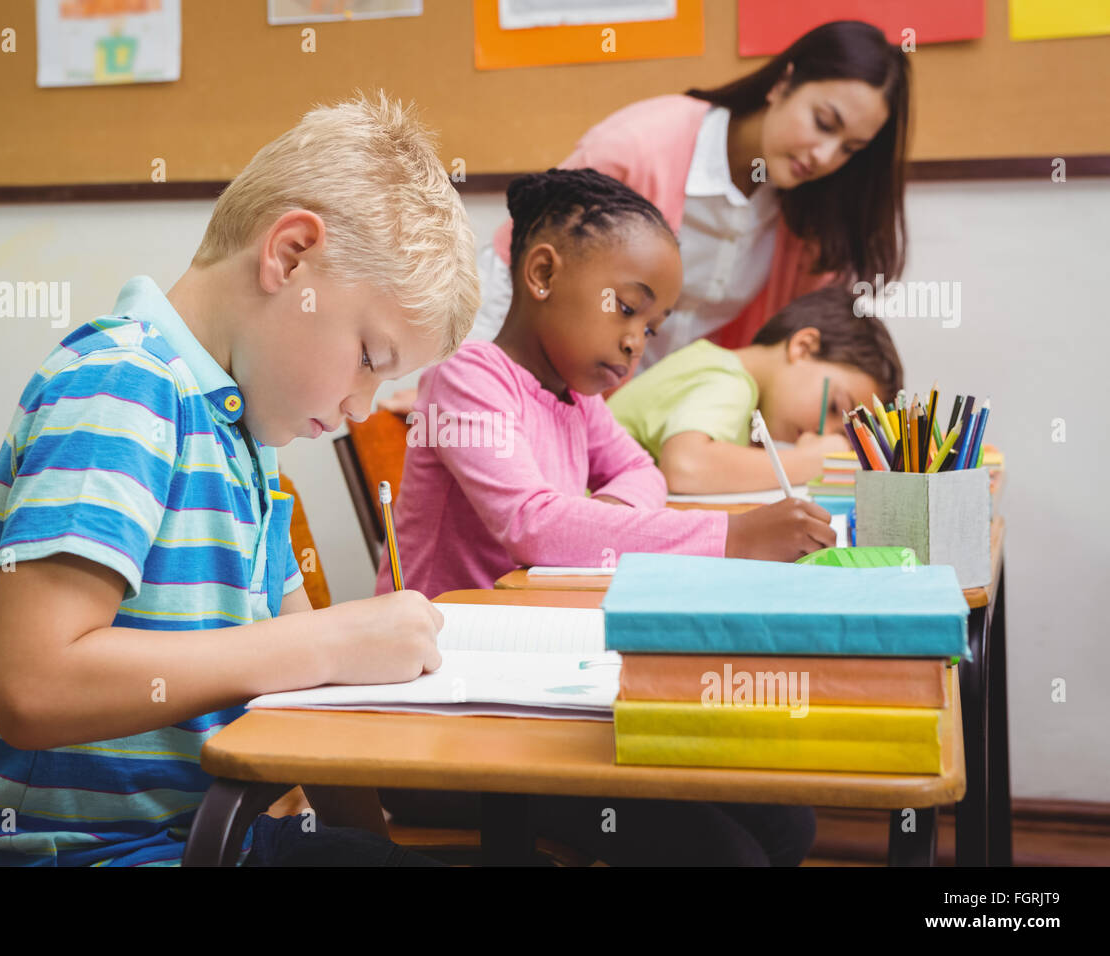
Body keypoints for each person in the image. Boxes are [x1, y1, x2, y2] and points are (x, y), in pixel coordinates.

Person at [0, 90, 478, 867]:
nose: (360, 409)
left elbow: (306, 683)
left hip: (211, 841)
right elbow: (35, 687)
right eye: (367, 359)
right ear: (289, 257)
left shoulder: (243, 437)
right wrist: (324, 642)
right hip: (83, 856)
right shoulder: (124, 387)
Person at [375, 168, 829, 864]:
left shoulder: (576, 400)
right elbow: (535, 526)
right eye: (626, 309)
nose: (635, 342)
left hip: (543, 683)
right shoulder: (466, 377)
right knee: (724, 855)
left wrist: (597, 519)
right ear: (543, 272)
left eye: (652, 326)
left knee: (787, 822)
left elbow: (641, 472)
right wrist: (732, 535)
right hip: (449, 701)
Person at [379, 19, 910, 414]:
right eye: (823, 122)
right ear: (783, 82)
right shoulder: (639, 148)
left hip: (645, 430)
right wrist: (463, 383)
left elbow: (788, 361)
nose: (824, 155)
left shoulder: (810, 221)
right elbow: (518, 274)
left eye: (850, 148)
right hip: (557, 404)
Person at [608, 285, 904, 494]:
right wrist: (814, 461)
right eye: (833, 407)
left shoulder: (729, 377)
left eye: (839, 433)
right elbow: (686, 466)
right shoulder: (730, 378)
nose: (822, 434)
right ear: (803, 347)